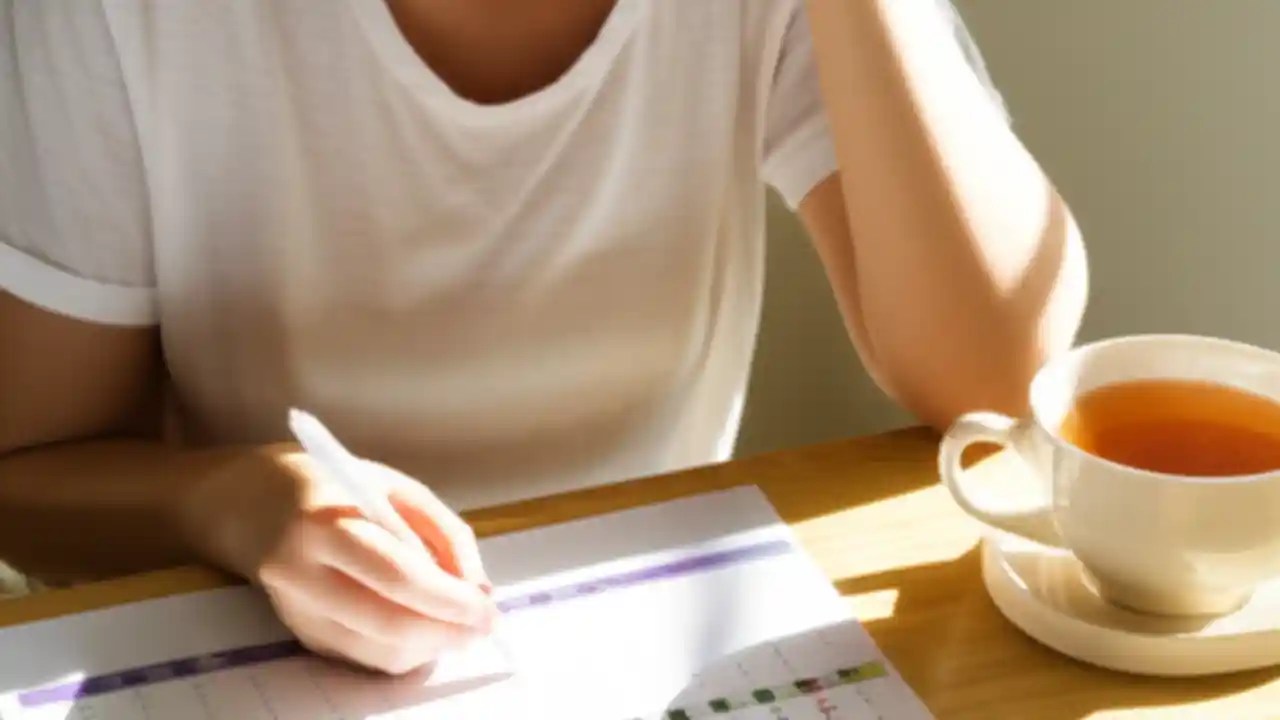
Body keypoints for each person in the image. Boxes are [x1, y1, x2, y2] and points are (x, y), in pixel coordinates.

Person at [0, 0, 1087, 675]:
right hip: (257, 654)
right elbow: (29, 480)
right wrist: (229, 502)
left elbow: (988, 375)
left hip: (645, 647)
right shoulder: (114, 16)